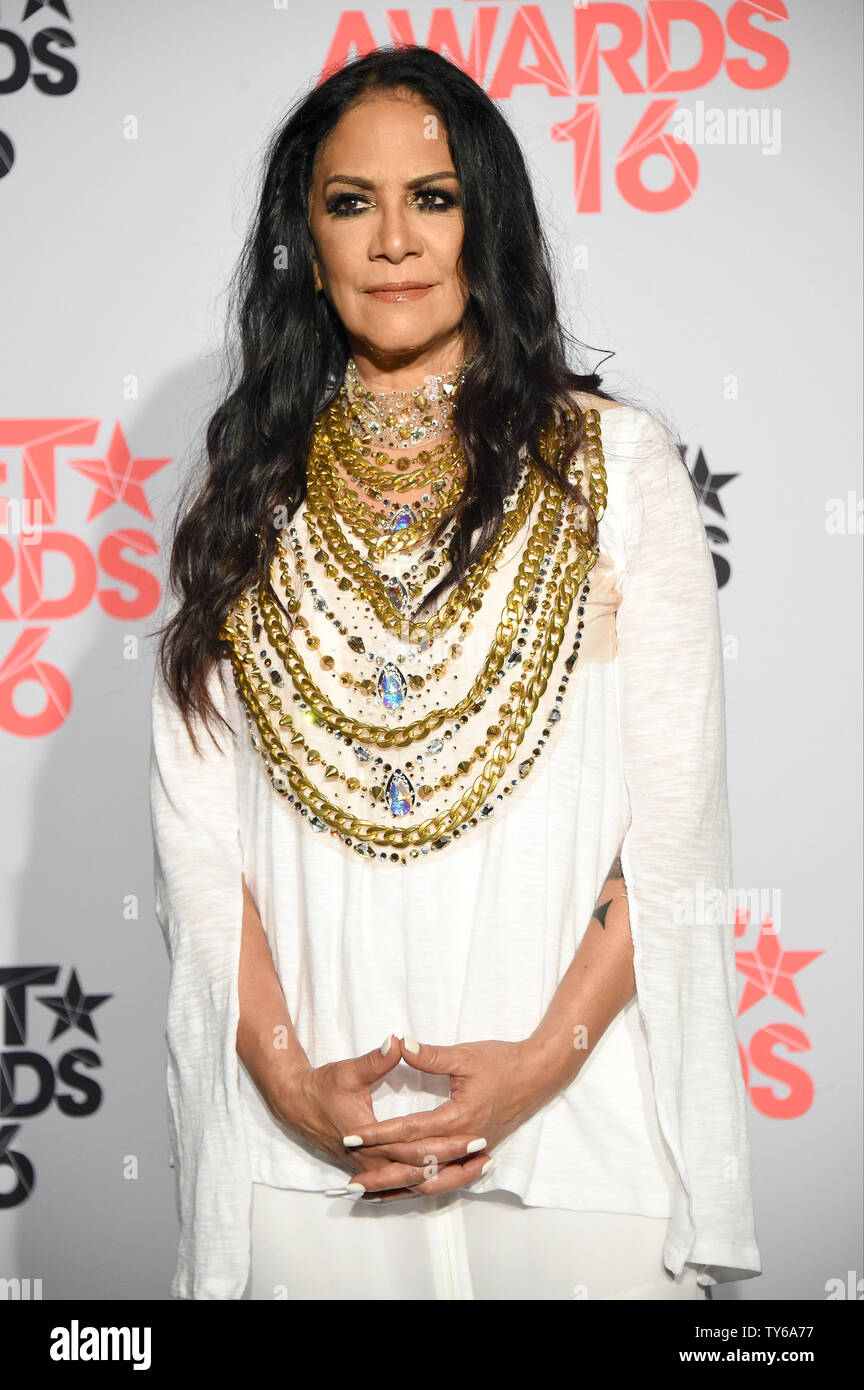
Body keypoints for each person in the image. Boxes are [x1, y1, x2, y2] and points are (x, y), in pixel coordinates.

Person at [148, 45, 762, 1301]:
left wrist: (539, 1066)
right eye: (349, 201)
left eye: (434, 196)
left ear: (489, 220)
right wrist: (291, 1082)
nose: (393, 240)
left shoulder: (614, 465)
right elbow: (203, 850)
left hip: (578, 1151)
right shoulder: (242, 498)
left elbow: (676, 823)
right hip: (313, 1165)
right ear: (302, 243)